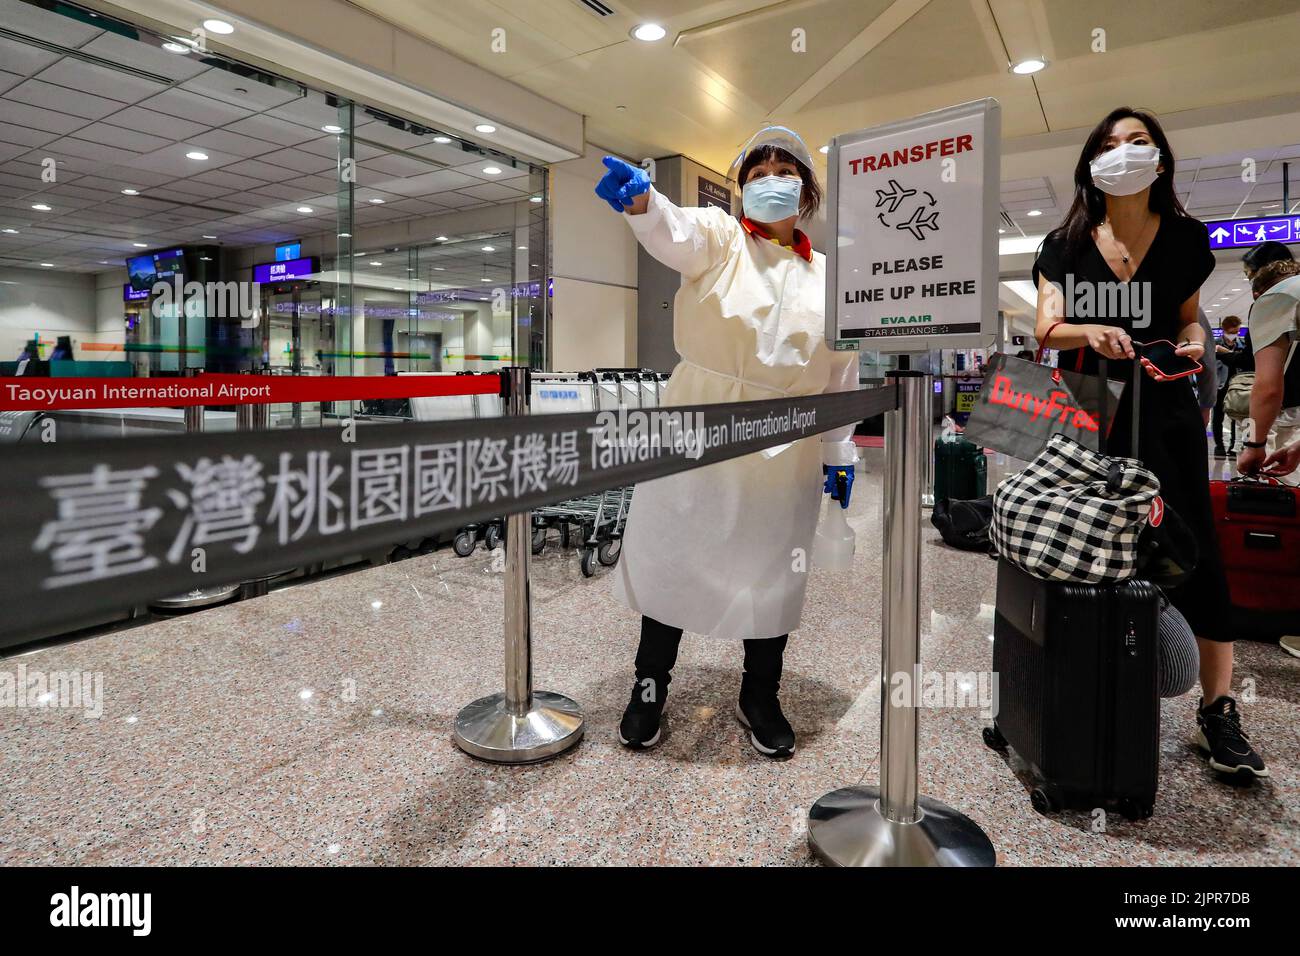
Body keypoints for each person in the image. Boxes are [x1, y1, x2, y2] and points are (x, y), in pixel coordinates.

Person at [594, 127, 857, 758]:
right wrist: (642, 203)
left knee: (772, 573)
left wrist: (837, 451)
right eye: (757, 173)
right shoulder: (719, 239)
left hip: (783, 444)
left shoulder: (831, 277)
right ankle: (649, 688)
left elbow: (839, 371)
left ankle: (758, 695)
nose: (770, 181)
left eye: (784, 170)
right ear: (740, 191)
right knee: (672, 557)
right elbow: (674, 231)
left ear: (808, 190)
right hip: (699, 429)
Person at [1032, 106, 1267, 779]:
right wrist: (1090, 332)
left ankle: (1219, 709)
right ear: (1090, 164)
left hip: (1165, 410)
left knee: (1193, 544)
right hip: (1087, 410)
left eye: (1138, 142)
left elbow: (1191, 323)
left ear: (1160, 160)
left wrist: (1197, 344)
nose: (1123, 153)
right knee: (1083, 545)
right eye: (1109, 144)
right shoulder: (1066, 244)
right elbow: (1047, 326)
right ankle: (1077, 688)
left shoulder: (1188, 241)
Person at [1238, 259, 1300, 488]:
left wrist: (1253, 446)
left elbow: (1267, 387)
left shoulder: (1276, 298)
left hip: (1283, 408)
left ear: (1257, 293)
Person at [1212, 315, 1250, 456]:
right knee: (1218, 417)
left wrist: (1228, 353)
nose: (1235, 335)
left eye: (1237, 332)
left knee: (1236, 416)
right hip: (1219, 385)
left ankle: (1234, 445)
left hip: (1237, 385)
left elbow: (1243, 361)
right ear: (1225, 330)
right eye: (1232, 332)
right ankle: (1219, 445)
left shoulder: (1242, 345)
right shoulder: (1214, 344)